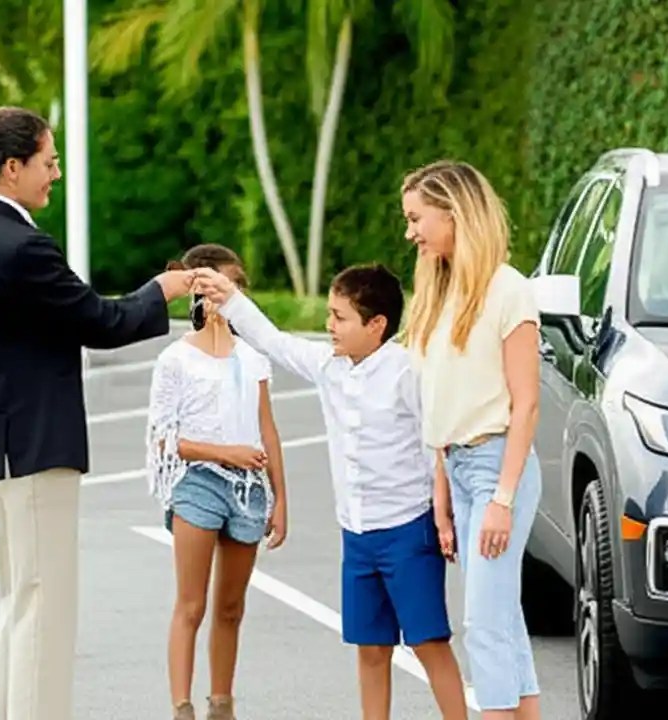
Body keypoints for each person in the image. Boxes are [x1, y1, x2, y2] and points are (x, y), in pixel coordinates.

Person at [0, 105, 214, 720]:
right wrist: (161, 292)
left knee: (19, 602)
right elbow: (98, 321)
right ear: (12, 168)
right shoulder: (19, 244)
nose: (55, 173)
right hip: (33, 449)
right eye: (48, 161)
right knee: (45, 611)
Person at [205, 262, 469, 720]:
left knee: (428, 642)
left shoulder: (407, 370)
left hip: (408, 530)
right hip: (357, 534)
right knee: (370, 647)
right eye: (329, 314)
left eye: (340, 317)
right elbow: (274, 341)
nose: (329, 326)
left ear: (377, 324)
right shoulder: (329, 366)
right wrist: (229, 297)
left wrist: (444, 516)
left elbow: (437, 445)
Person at [400, 160, 543, 720]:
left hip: (498, 468)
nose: (410, 231)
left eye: (417, 218)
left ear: (453, 212)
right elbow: (441, 403)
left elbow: (527, 403)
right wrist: (441, 496)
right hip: (457, 470)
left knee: (483, 624)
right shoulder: (436, 294)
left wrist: (502, 501)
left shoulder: (510, 291)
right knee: (504, 619)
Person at [145, 244, 288, 720]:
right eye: (220, 290)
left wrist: (280, 499)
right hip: (198, 485)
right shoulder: (176, 360)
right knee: (192, 603)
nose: (229, 299)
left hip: (248, 490)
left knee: (231, 607)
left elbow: (268, 428)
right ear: (200, 296)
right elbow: (164, 441)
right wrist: (224, 453)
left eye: (236, 290)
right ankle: (181, 706)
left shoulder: (253, 359)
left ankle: (221, 705)